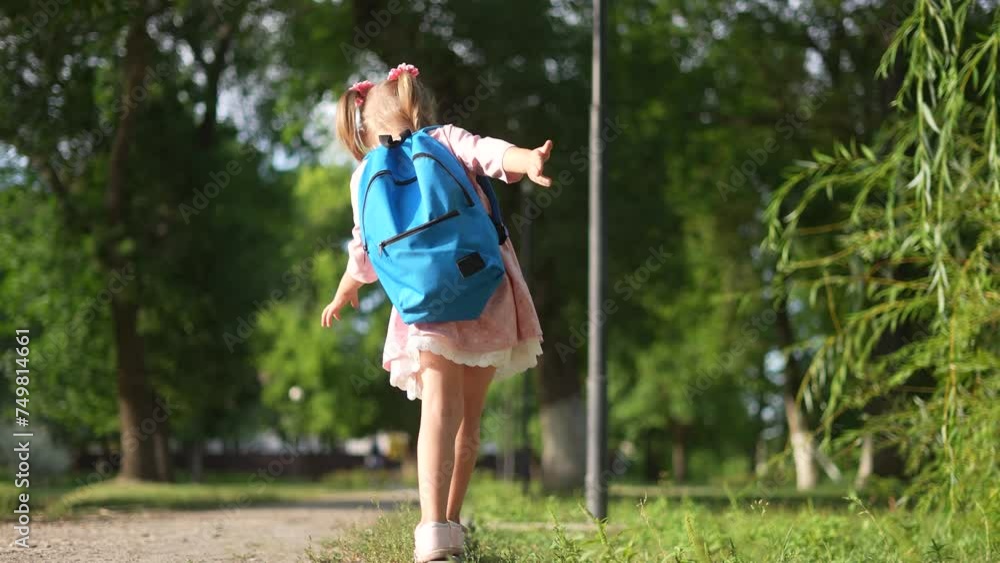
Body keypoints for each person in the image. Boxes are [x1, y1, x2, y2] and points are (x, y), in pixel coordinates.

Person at [320, 63, 550, 562]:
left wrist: (343, 293)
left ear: (363, 125)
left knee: (438, 414)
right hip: (484, 291)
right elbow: (488, 153)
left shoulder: (363, 175)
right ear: (418, 105)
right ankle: (450, 524)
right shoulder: (444, 138)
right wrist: (527, 160)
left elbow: (364, 250)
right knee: (469, 423)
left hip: (426, 306)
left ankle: (432, 531)